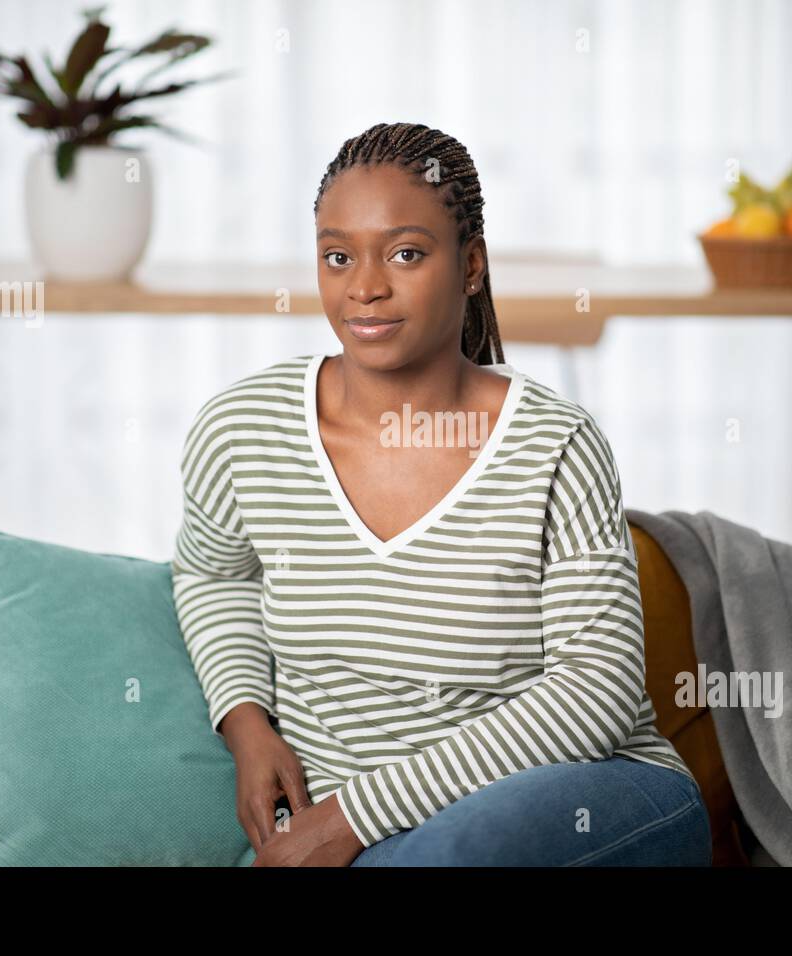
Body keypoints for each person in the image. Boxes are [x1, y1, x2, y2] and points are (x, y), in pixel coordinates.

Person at [171, 121, 711, 867]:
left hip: (587, 797)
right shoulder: (243, 430)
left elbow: (597, 693)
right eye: (337, 256)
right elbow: (214, 572)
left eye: (406, 253)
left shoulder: (555, 443)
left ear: (471, 266)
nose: (365, 287)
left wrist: (349, 819)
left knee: (446, 855)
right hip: (360, 839)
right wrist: (245, 721)